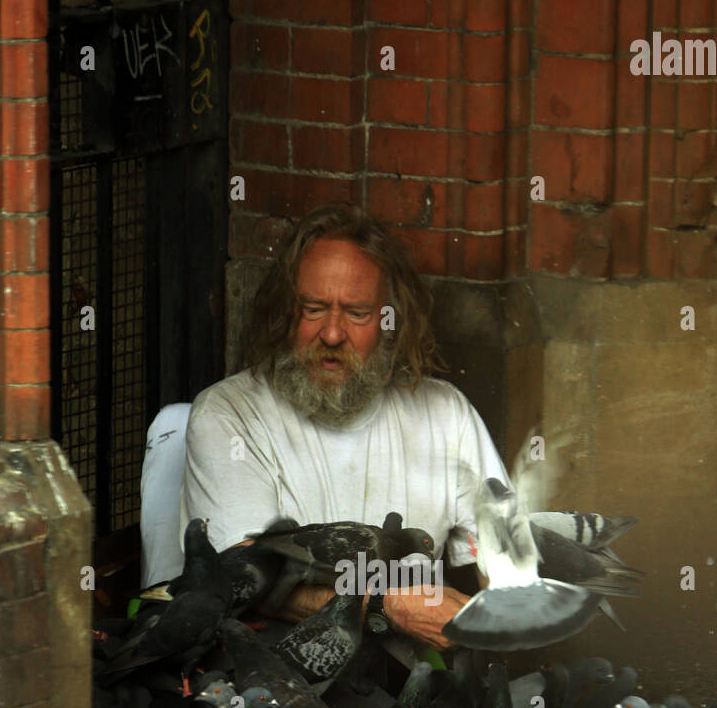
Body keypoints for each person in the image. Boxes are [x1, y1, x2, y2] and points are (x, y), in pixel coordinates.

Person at [179, 202, 507, 649]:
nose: (332, 334)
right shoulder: (228, 415)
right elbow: (246, 579)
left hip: (413, 683)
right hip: (276, 676)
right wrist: (388, 605)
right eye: (312, 308)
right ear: (285, 310)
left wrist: (508, 604)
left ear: (391, 320)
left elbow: (505, 559)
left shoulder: (444, 413)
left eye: (357, 314)